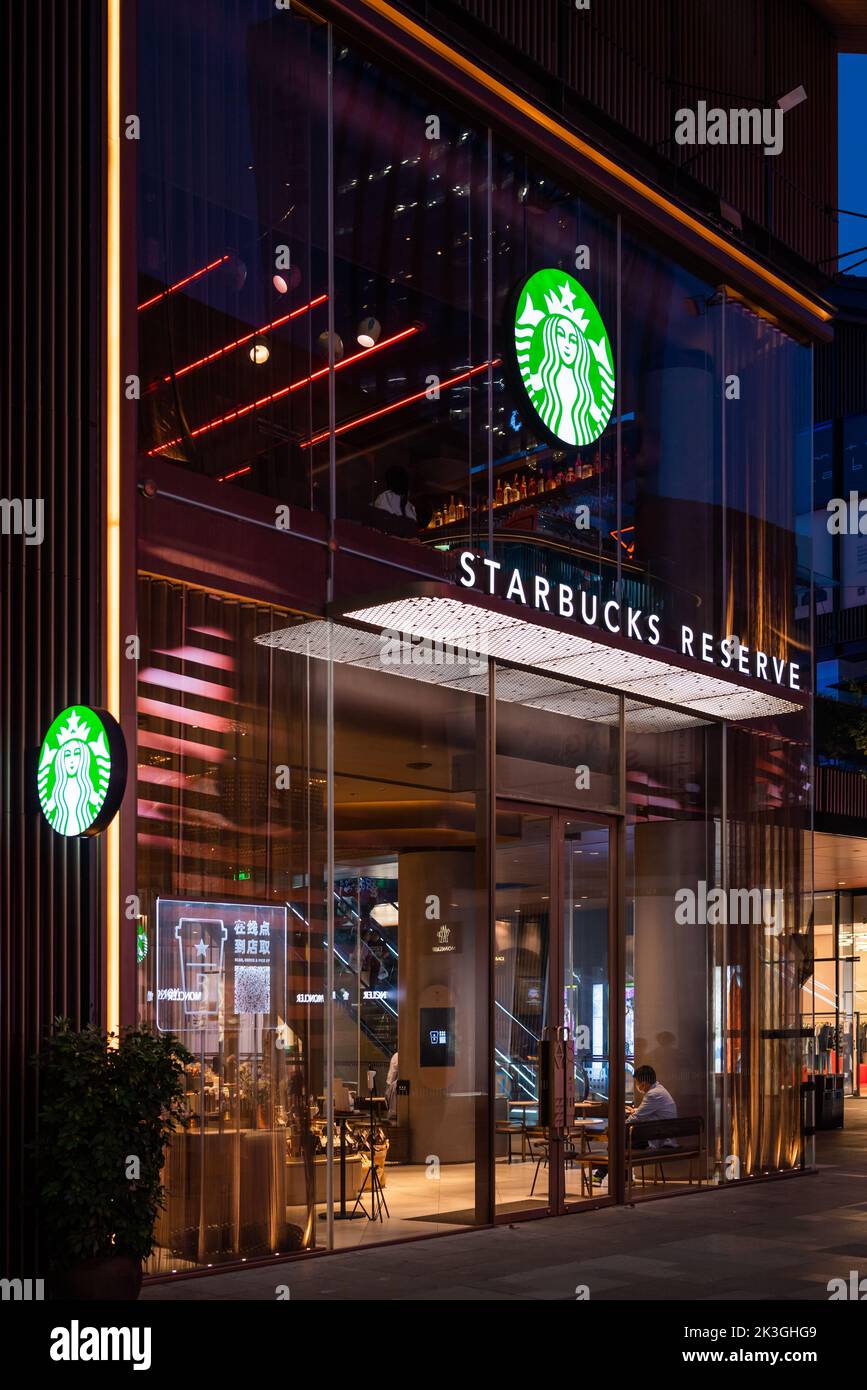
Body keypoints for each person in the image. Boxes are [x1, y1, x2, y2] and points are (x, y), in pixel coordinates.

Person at [627, 1064, 677, 1149]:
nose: (636, 1085)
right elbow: (652, 1111)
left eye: (636, 1082)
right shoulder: (659, 1089)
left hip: (659, 1137)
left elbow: (637, 1117)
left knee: (620, 1141)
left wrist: (619, 1126)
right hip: (663, 1132)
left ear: (643, 1083)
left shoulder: (653, 1094)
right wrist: (636, 1110)